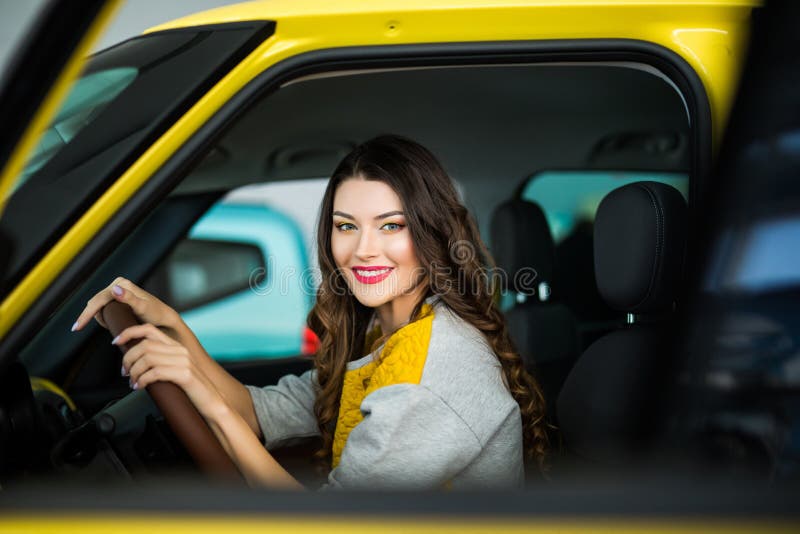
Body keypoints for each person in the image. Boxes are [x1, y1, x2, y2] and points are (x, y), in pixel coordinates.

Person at [73, 134, 549, 489]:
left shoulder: (430, 375)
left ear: (432, 236)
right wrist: (173, 325)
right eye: (346, 226)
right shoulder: (384, 335)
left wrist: (210, 406)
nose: (363, 249)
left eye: (391, 226)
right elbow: (260, 413)